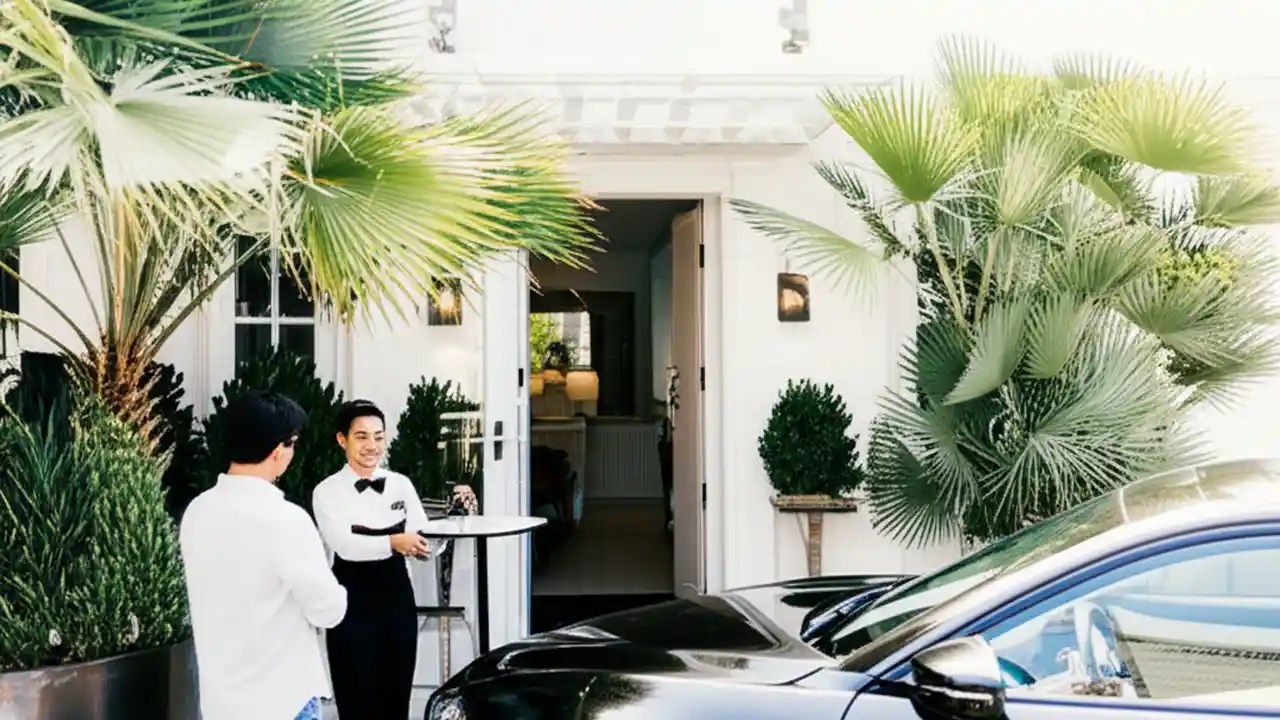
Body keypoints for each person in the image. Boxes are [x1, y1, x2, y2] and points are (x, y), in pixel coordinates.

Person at [180, 391, 347, 720]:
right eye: (293, 443)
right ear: (278, 451)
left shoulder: (196, 513)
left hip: (220, 702)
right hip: (283, 700)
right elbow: (329, 610)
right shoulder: (286, 519)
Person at [312, 399, 432, 720]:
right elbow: (346, 546)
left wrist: (428, 544)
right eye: (362, 436)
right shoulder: (327, 492)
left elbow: (423, 537)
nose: (372, 446)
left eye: (378, 437)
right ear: (342, 439)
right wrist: (395, 541)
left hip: (397, 602)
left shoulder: (401, 485)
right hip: (351, 605)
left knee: (396, 700)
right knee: (356, 700)